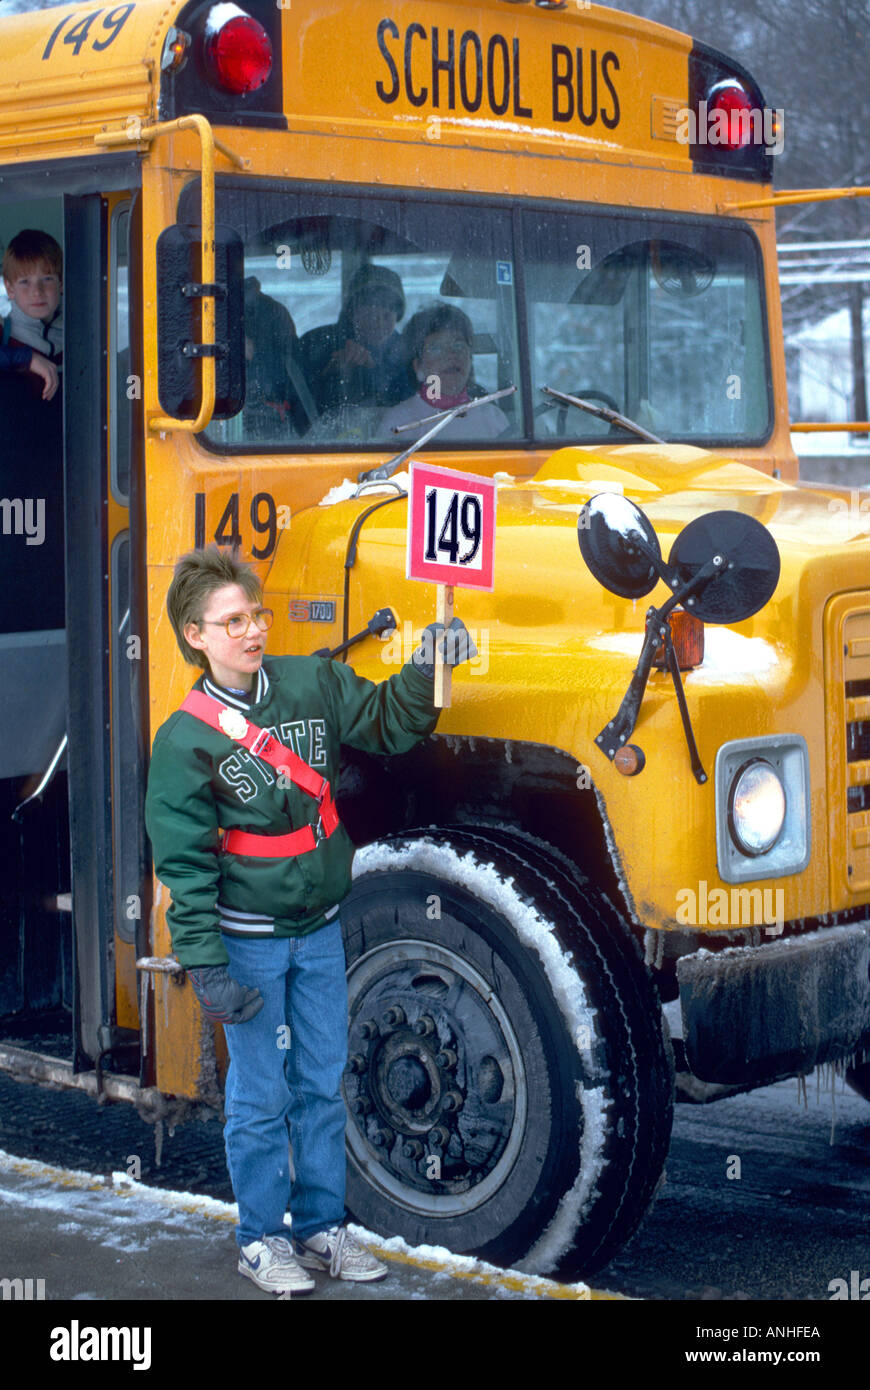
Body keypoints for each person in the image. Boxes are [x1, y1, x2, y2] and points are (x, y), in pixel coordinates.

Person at [144, 544, 476, 1297]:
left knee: (323, 1083)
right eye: (231, 622)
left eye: (254, 615)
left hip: (320, 928)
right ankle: (261, 1239)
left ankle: (323, 1228)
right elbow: (185, 865)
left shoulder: (311, 682)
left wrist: (430, 663)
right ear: (195, 635)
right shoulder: (184, 740)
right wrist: (206, 967)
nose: (251, 631)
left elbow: (392, 723)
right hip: (249, 943)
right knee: (261, 1097)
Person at [379, 303, 510, 442]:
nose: (451, 355)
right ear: (418, 365)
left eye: (458, 345)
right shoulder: (399, 423)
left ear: (470, 358)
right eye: (436, 348)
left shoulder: (493, 418)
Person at [299, 263, 411, 414]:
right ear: (351, 312)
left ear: (397, 315)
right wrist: (332, 373)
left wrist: (374, 371)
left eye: (387, 313)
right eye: (370, 313)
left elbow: (416, 407)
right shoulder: (316, 343)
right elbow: (298, 407)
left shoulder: (411, 351)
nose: (378, 322)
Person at [241, 276, 317, 439]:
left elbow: (294, 372)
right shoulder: (210, 307)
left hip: (272, 423)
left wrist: (255, 353)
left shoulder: (271, 312)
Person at [2, 229, 64, 397]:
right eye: (25, 281)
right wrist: (27, 359)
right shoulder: (3, 328)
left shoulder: (77, 333)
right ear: (10, 289)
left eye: (47, 279)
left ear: (61, 283)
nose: (37, 291)